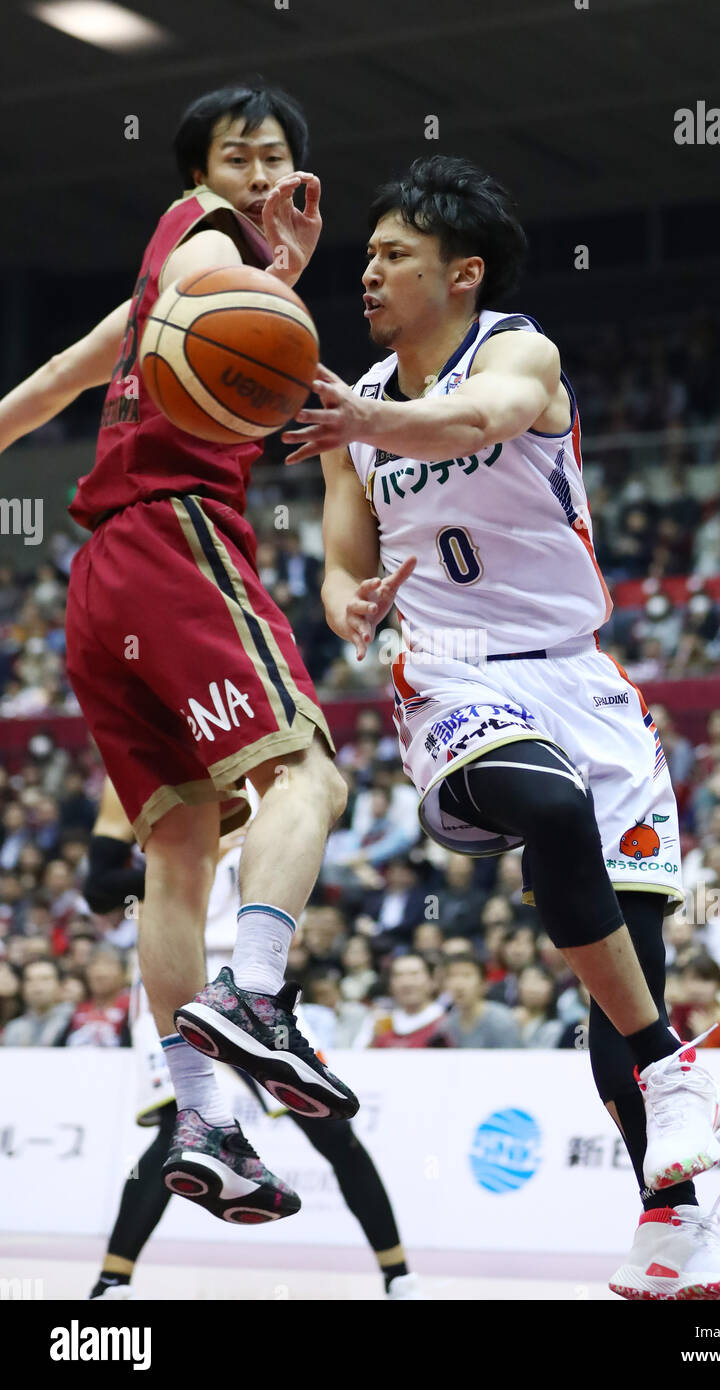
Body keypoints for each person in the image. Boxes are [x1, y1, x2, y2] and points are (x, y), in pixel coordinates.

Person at [290, 153, 720, 1299]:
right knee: (544, 803)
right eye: (365, 254)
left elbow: (481, 418)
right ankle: (671, 1070)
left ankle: (670, 1232)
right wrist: (343, 603)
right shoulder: (354, 414)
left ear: (459, 273)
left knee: (630, 964)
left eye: (391, 254)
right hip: (454, 676)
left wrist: (371, 412)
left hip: (582, 681)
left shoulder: (515, 350)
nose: (365, 270)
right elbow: (340, 557)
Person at [0, 82, 358, 1222]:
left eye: (275, 158)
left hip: (98, 576)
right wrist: (274, 288)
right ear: (195, 175)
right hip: (175, 533)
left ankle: (203, 1120)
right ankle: (256, 996)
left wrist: (276, 286)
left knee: (180, 850)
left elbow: (56, 384)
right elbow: (219, 295)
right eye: (235, 156)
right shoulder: (204, 245)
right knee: (308, 773)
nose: (259, 176)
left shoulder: (160, 283)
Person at [84, 777, 422, 1301]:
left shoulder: (272, 763)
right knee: (181, 1129)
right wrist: (177, 861)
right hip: (178, 967)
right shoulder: (137, 771)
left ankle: (399, 1274)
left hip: (247, 973)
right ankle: (113, 1282)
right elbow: (99, 886)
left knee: (327, 1129)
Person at [436, 954, 521, 1048]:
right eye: (452, 976)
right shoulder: (446, 1026)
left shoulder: (502, 1021)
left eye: (466, 976)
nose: (458, 984)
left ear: (483, 984)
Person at [367, 953, 448, 1047]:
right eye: (399, 975)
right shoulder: (382, 1024)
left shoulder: (445, 1025)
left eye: (414, 974)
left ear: (432, 981)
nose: (406, 982)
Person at [1, 958, 73, 1047]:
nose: (36, 985)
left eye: (45, 979)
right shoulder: (13, 1029)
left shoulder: (75, 1023)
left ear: (60, 985)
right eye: (29, 980)